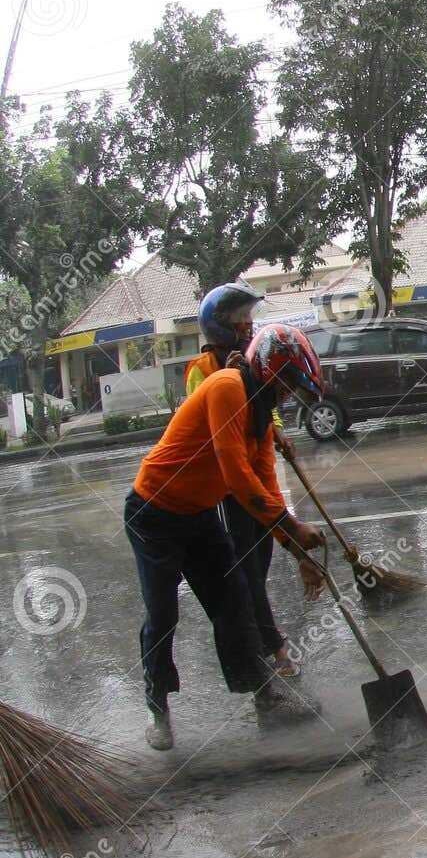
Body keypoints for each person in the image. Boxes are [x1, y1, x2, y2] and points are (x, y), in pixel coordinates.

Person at [126, 324, 328, 751]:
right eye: (289, 382)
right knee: (162, 615)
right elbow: (236, 476)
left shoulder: (258, 417)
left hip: (198, 516)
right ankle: (157, 705)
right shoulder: (227, 389)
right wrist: (293, 530)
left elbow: (266, 488)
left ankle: (266, 699)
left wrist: (298, 554)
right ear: (270, 371)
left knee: (236, 601)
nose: (291, 394)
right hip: (154, 513)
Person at [187, 282, 301, 678]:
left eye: (249, 323)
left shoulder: (252, 360)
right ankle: (271, 646)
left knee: (261, 560)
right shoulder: (201, 371)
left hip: (257, 471)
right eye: (239, 324)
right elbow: (213, 418)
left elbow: (263, 403)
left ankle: (265, 634)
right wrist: (227, 373)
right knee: (247, 567)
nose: (247, 331)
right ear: (218, 328)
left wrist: (277, 430)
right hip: (228, 484)